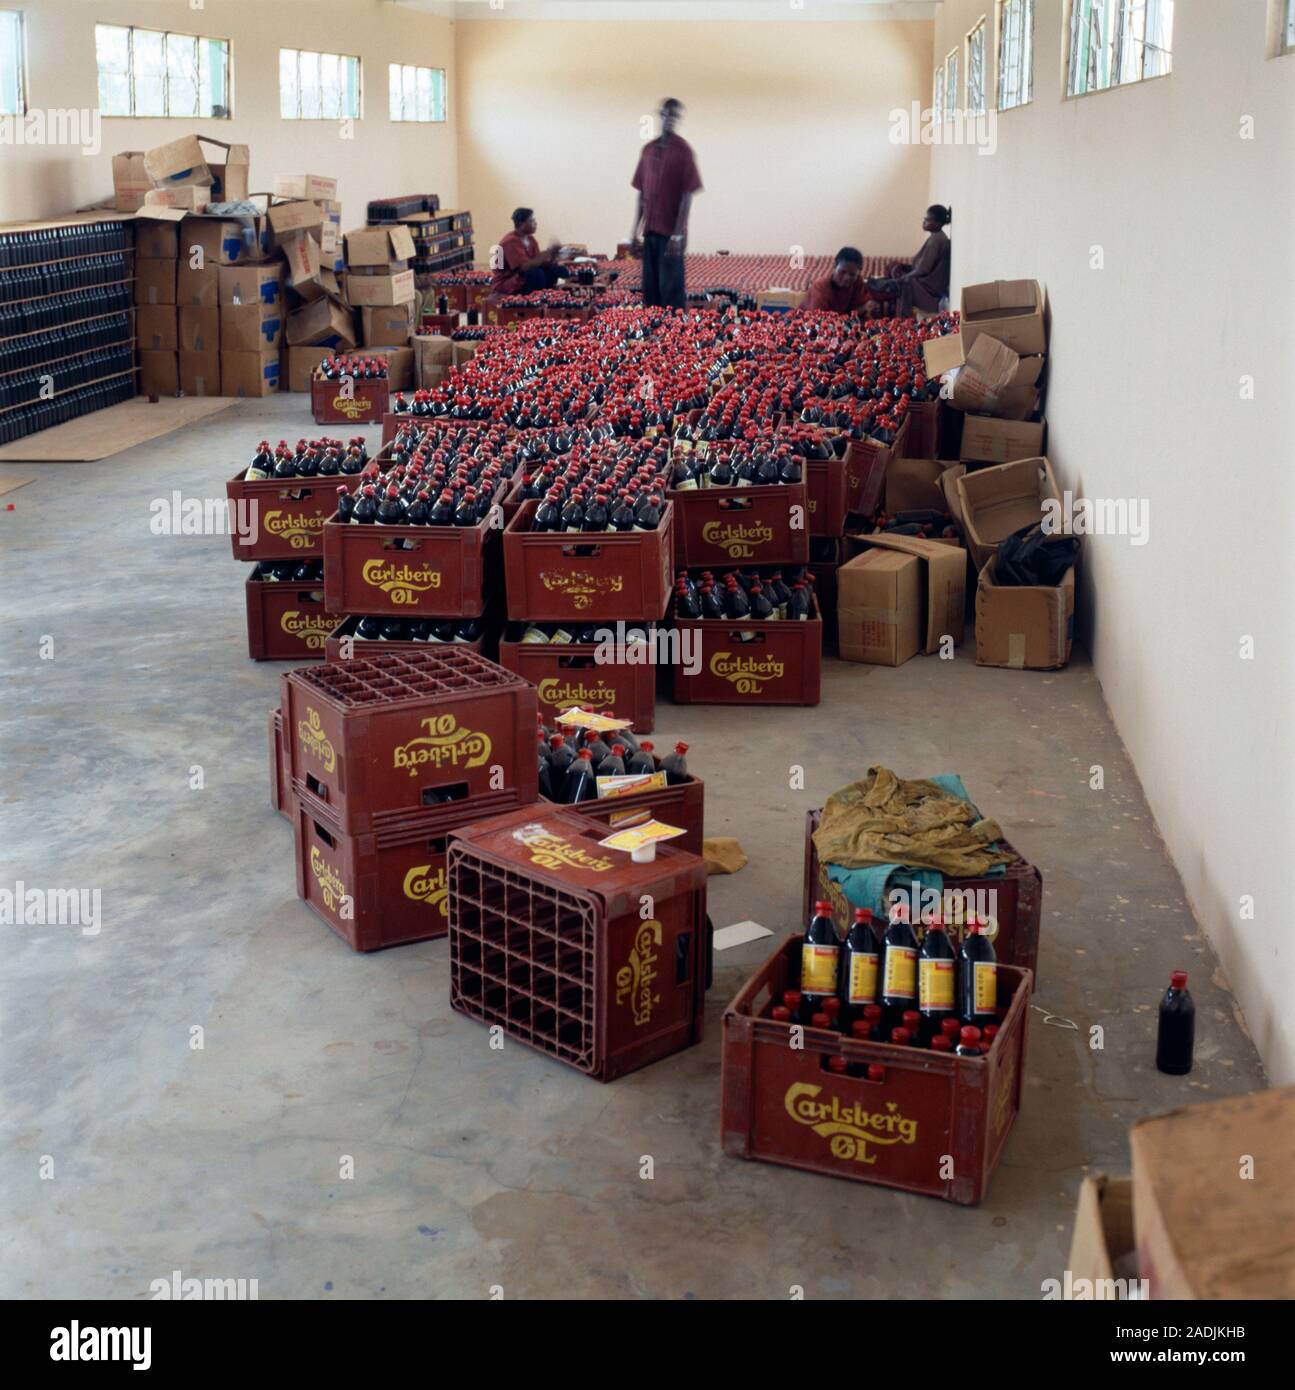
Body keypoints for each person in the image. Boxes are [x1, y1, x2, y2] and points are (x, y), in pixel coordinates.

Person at [629, 98, 703, 310]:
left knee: (670, 289)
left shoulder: (683, 151)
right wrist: (634, 231)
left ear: (678, 119)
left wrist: (678, 234)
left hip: (671, 236)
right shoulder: (648, 151)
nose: (670, 119)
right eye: (667, 114)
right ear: (660, 115)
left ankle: (673, 336)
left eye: (675, 116)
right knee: (650, 289)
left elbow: (687, 196)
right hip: (650, 232)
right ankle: (652, 335)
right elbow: (641, 195)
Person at [867, 205, 952, 318]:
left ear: (937, 223)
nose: (924, 222)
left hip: (929, 289)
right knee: (895, 268)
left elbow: (923, 269)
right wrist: (904, 267)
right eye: (924, 219)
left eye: (927, 220)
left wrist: (904, 277)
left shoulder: (936, 240)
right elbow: (920, 265)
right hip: (926, 283)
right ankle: (880, 285)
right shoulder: (937, 237)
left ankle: (899, 316)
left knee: (901, 283)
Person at [491, 208, 564, 296]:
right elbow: (524, 267)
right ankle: (532, 302)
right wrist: (546, 253)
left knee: (557, 270)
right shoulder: (510, 241)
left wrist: (553, 256)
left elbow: (539, 262)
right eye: (532, 221)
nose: (535, 223)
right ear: (521, 223)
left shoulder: (531, 239)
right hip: (508, 282)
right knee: (536, 274)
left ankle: (546, 298)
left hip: (523, 277)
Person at [805, 247, 868, 316]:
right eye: (842, 272)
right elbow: (816, 319)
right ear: (834, 266)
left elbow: (860, 309)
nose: (846, 278)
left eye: (852, 275)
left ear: (859, 272)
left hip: (844, 323)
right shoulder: (820, 287)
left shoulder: (858, 282)